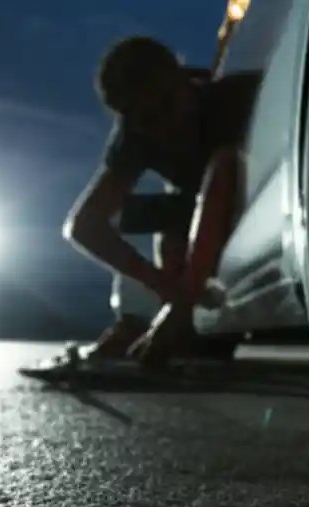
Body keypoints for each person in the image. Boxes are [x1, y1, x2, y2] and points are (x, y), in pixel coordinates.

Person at [63, 36, 257, 364]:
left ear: (183, 80)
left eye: (167, 105)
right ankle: (136, 320)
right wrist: (163, 285)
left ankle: (181, 314)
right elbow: (84, 225)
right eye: (147, 120)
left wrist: (180, 307)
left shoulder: (233, 98)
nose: (165, 128)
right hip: (202, 218)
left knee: (218, 171)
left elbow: (223, 179)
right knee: (140, 214)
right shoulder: (136, 133)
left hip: (258, 204)